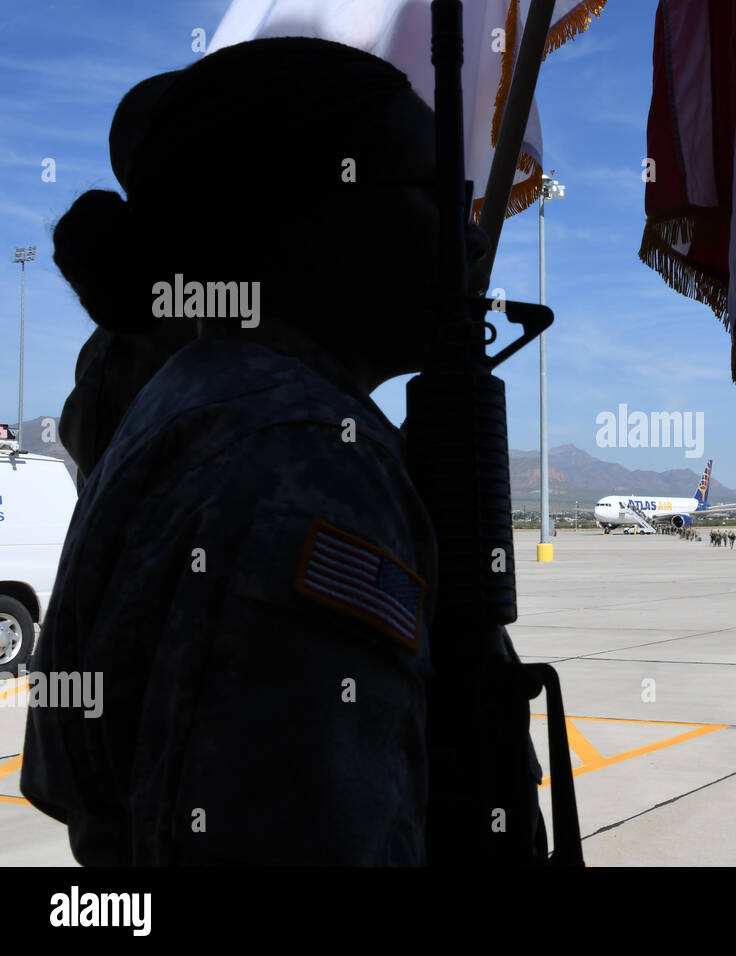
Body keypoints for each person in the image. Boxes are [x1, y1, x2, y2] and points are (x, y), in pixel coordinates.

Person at [21, 38, 516, 865]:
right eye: (437, 195)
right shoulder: (306, 456)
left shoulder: (206, 399)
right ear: (310, 220)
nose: (472, 238)